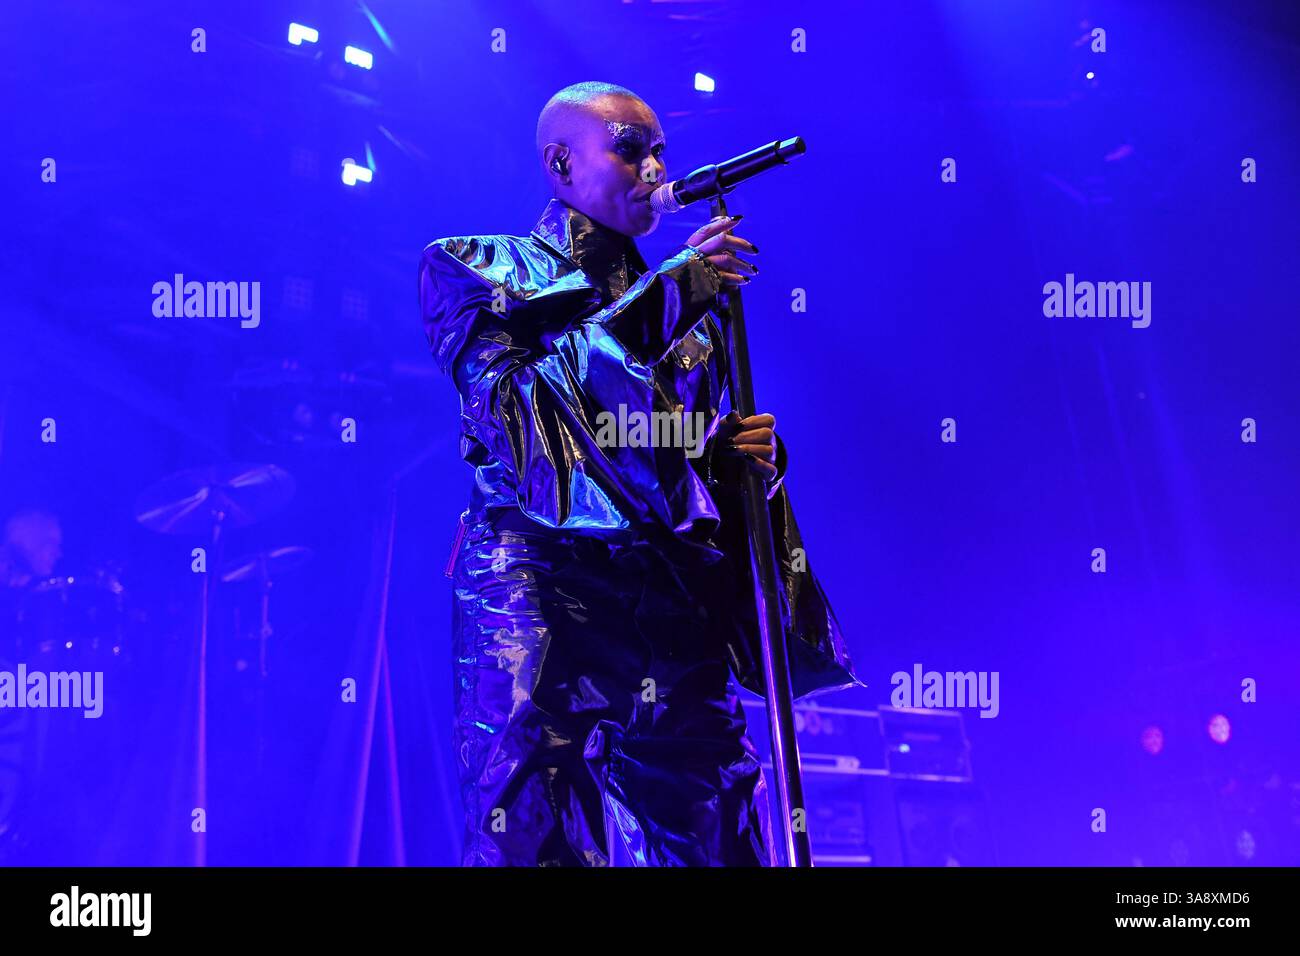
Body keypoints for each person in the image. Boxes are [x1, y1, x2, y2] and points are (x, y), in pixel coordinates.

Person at [418, 81, 859, 866]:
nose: (655, 167)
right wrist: (675, 292)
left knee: (717, 821)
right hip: (543, 594)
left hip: (666, 602)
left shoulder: (691, 304)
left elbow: (656, 457)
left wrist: (726, 461)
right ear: (560, 161)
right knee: (535, 826)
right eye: (631, 148)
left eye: (660, 151)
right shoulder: (474, 267)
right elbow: (528, 420)